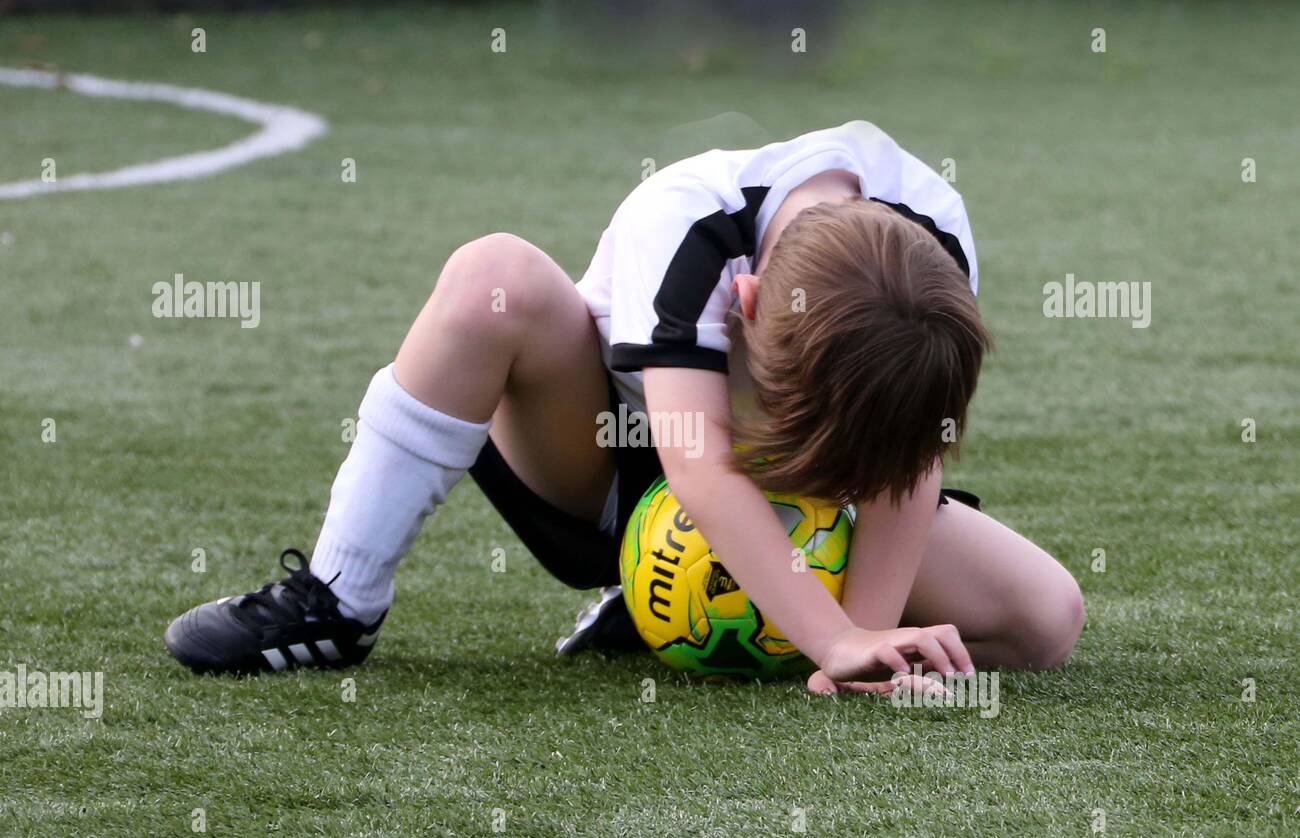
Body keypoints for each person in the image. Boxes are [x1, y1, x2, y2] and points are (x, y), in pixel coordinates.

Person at [165, 121, 1084, 694]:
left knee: (1045, 617)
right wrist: (835, 632)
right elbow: (695, 458)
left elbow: (907, 455)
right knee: (497, 277)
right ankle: (336, 600)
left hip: (818, 512)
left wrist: (867, 644)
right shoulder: (687, 219)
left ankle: (679, 617)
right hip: (605, 466)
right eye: (779, 401)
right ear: (749, 301)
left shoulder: (931, 239)